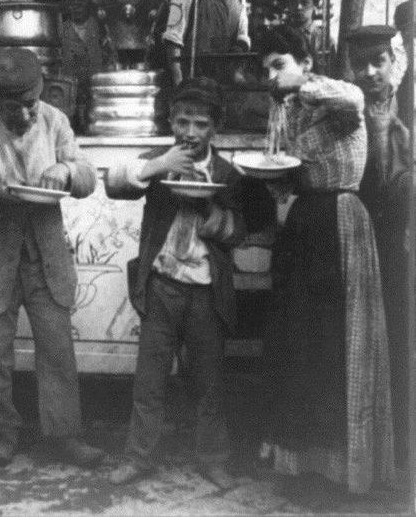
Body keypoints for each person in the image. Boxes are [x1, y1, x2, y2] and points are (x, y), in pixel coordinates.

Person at [256, 25, 395, 494]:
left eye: (279, 65)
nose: (272, 77)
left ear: (306, 63)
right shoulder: (286, 113)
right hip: (304, 224)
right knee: (300, 339)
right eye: (266, 69)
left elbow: (355, 101)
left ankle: (343, 469)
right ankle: (302, 465)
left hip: (341, 217)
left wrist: (302, 85)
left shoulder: (335, 97)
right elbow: (287, 169)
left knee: (338, 338)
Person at [0, 47, 104, 468]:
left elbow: (86, 173)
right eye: (12, 107)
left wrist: (67, 171)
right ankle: (0, 433)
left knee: (57, 345)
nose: (25, 116)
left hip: (44, 253)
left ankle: (64, 434)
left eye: (30, 105)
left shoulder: (55, 120)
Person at [104, 77, 247, 486]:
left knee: (209, 383)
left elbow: (239, 231)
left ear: (214, 128)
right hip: (162, 286)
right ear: (170, 120)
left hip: (206, 292)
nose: (189, 132)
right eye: (182, 121)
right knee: (148, 383)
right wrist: (157, 166)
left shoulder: (227, 174)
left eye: (200, 124)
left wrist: (211, 214)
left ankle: (213, 459)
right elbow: (114, 185)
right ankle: (138, 458)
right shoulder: (159, 160)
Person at [347, 24, 410, 467]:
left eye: (378, 62)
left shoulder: (409, 110)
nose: (370, 72)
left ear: (394, 62)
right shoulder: (347, 114)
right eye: (361, 64)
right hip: (361, 238)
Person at [60, 0, 113, 132]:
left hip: (97, 95)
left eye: (81, 1)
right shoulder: (60, 30)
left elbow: (110, 56)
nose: (76, 6)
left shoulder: (101, 28)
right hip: (69, 96)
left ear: (88, 3)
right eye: (72, 2)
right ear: (66, 5)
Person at [284, 0, 333, 76]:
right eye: (293, 2)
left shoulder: (324, 40)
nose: (298, 7)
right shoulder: (281, 36)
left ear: (315, 6)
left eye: (305, 2)